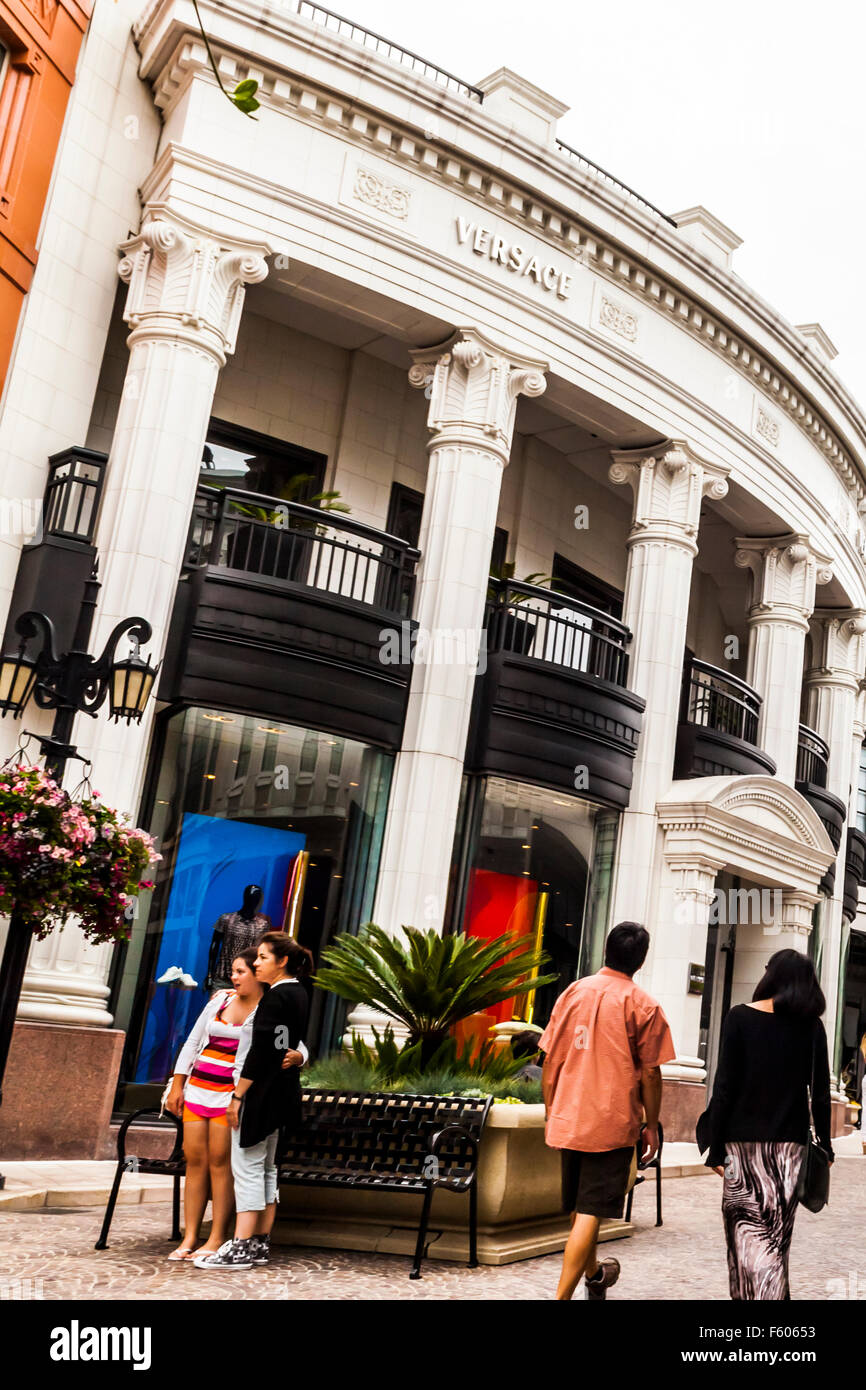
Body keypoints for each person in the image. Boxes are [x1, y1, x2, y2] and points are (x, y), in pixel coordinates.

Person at [540, 921, 674, 1301]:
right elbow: (650, 1071)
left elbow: (550, 1060)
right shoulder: (643, 1005)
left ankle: (596, 1274)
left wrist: (553, 1110)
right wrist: (651, 1124)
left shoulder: (573, 992)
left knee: (584, 1205)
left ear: (605, 950)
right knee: (589, 1208)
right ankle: (561, 1297)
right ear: (641, 960)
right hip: (612, 1121)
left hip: (571, 1113)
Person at [702, 948, 834, 1301]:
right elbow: (821, 1095)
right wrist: (827, 1146)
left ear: (772, 976)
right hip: (787, 1151)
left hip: (739, 1149)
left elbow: (724, 1088)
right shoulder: (812, 1028)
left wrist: (715, 1149)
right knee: (775, 1238)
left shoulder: (739, 1018)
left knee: (742, 1234)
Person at [164, 948, 306, 1260]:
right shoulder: (220, 1000)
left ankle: (216, 1238)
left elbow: (292, 1042)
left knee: (220, 1163)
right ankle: (190, 1237)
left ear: (258, 976)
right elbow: (191, 1041)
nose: (234, 976)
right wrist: (177, 1084)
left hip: (229, 1096)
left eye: (242, 971)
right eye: (235, 971)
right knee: (195, 1162)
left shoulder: (268, 1006)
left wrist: (300, 1056)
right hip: (198, 1090)